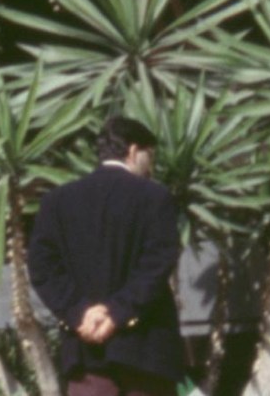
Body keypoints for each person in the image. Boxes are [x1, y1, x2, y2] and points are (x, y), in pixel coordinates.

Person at [27, 116, 184, 396]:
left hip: (85, 353)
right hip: (145, 353)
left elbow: (42, 267)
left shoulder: (57, 201)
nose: (152, 168)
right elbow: (158, 263)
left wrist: (78, 312)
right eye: (151, 157)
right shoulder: (155, 197)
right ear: (134, 151)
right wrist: (118, 313)